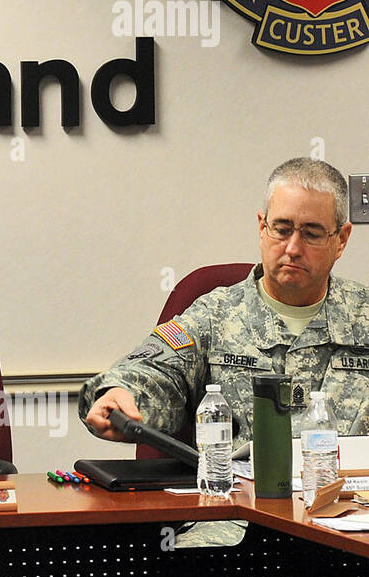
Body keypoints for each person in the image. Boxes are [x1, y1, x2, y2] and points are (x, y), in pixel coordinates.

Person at [81, 157, 369, 445]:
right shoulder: (215, 317)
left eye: (311, 234)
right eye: (281, 229)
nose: (293, 248)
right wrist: (120, 393)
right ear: (262, 227)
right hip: (233, 488)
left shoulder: (363, 316)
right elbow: (153, 373)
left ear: (341, 240)